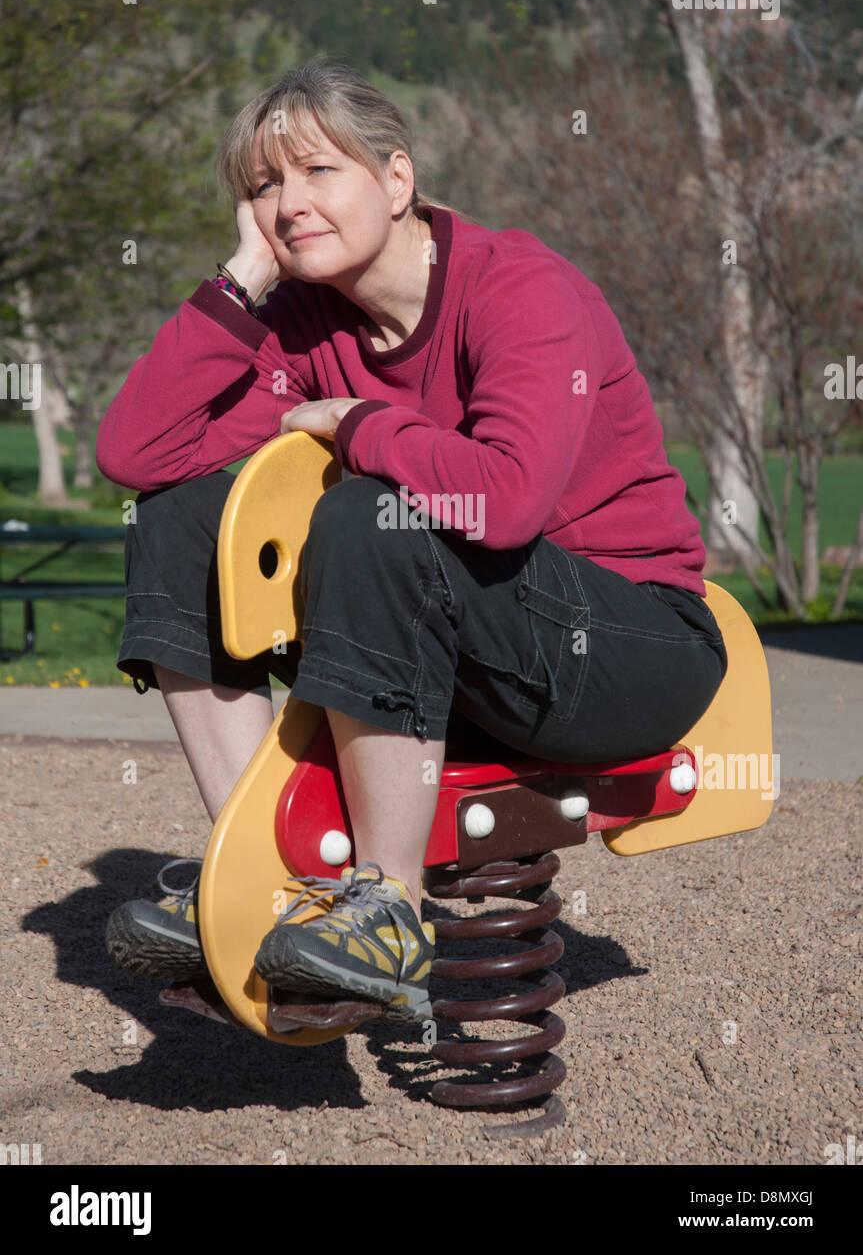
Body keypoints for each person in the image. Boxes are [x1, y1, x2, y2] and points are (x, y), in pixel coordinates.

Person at [97, 57, 728, 1023]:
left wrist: (354, 422)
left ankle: (383, 907)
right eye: (262, 187)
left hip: (626, 648)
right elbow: (139, 452)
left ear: (397, 181)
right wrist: (241, 280)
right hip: (465, 645)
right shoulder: (309, 323)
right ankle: (258, 868)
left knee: (371, 509)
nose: (288, 203)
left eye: (317, 172)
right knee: (178, 513)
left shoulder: (521, 289)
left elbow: (507, 502)